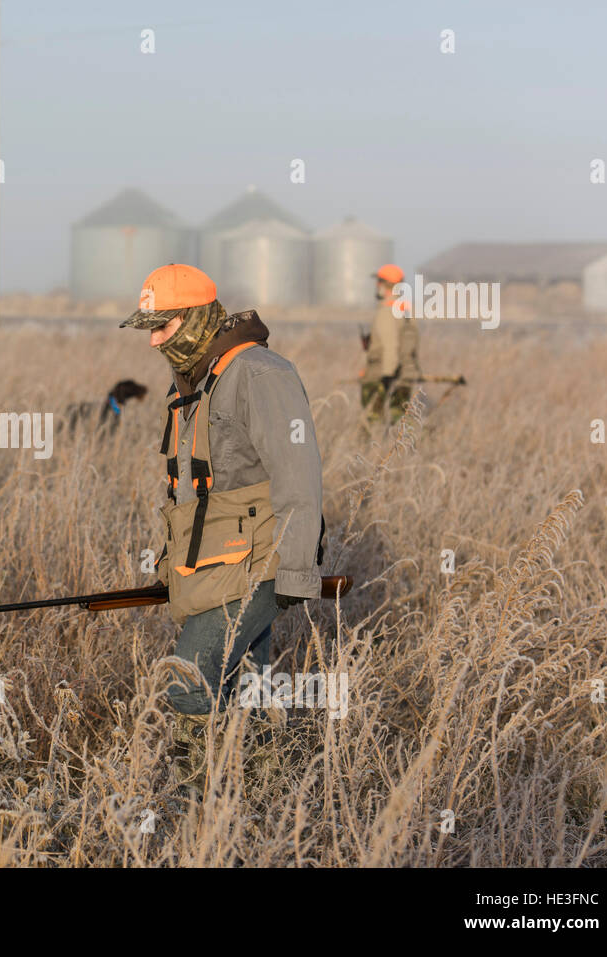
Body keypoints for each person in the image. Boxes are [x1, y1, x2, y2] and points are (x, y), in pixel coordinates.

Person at [120, 264, 324, 787]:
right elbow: (191, 495)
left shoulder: (259, 374)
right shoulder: (193, 381)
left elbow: (298, 475)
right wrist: (171, 569)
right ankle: (258, 804)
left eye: (161, 326)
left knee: (188, 681)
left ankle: (195, 805)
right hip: (214, 565)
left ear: (192, 319)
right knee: (247, 686)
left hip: (258, 562)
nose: (153, 341)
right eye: (149, 328)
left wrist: (297, 572)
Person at [360, 264, 420, 423]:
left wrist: (386, 378)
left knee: (371, 420)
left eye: (378, 281)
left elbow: (391, 346)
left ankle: (368, 447)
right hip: (406, 372)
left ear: (382, 284)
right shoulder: (406, 310)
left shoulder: (386, 312)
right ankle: (419, 441)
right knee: (401, 419)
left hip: (381, 375)